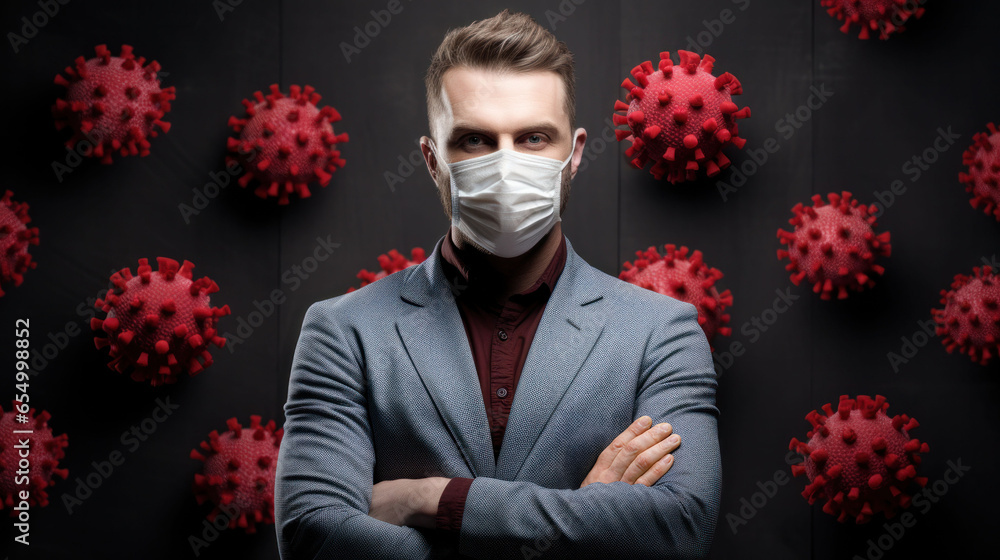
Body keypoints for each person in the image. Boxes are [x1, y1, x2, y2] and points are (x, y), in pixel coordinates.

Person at [275, 10, 720, 559]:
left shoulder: (661, 332)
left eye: (534, 138)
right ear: (433, 160)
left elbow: (681, 530)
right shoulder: (343, 331)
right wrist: (582, 524)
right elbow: (314, 537)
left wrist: (435, 500)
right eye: (475, 141)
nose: (507, 166)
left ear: (574, 155)